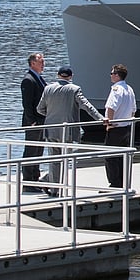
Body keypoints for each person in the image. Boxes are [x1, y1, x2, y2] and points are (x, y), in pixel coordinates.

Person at [36, 66, 103, 196]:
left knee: (54, 160)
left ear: (58, 75)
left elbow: (39, 109)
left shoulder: (48, 88)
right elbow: (87, 106)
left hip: (51, 130)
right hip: (67, 132)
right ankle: (53, 187)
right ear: (71, 76)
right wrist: (101, 118)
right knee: (65, 160)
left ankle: (50, 184)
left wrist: (50, 116)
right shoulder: (74, 89)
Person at [104, 63, 137, 189]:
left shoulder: (116, 89)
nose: (111, 76)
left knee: (110, 156)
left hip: (116, 127)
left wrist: (109, 123)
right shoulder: (129, 89)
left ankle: (114, 184)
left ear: (117, 75)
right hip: (127, 127)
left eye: (112, 73)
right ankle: (123, 183)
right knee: (123, 156)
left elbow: (111, 107)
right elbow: (134, 110)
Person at [19, 52, 47, 192]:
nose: (43, 63)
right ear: (32, 63)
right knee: (31, 151)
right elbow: (27, 104)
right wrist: (32, 122)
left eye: (43, 61)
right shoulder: (28, 80)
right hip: (34, 123)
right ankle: (28, 182)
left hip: (42, 121)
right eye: (40, 61)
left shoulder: (39, 78)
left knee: (38, 151)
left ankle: (35, 179)